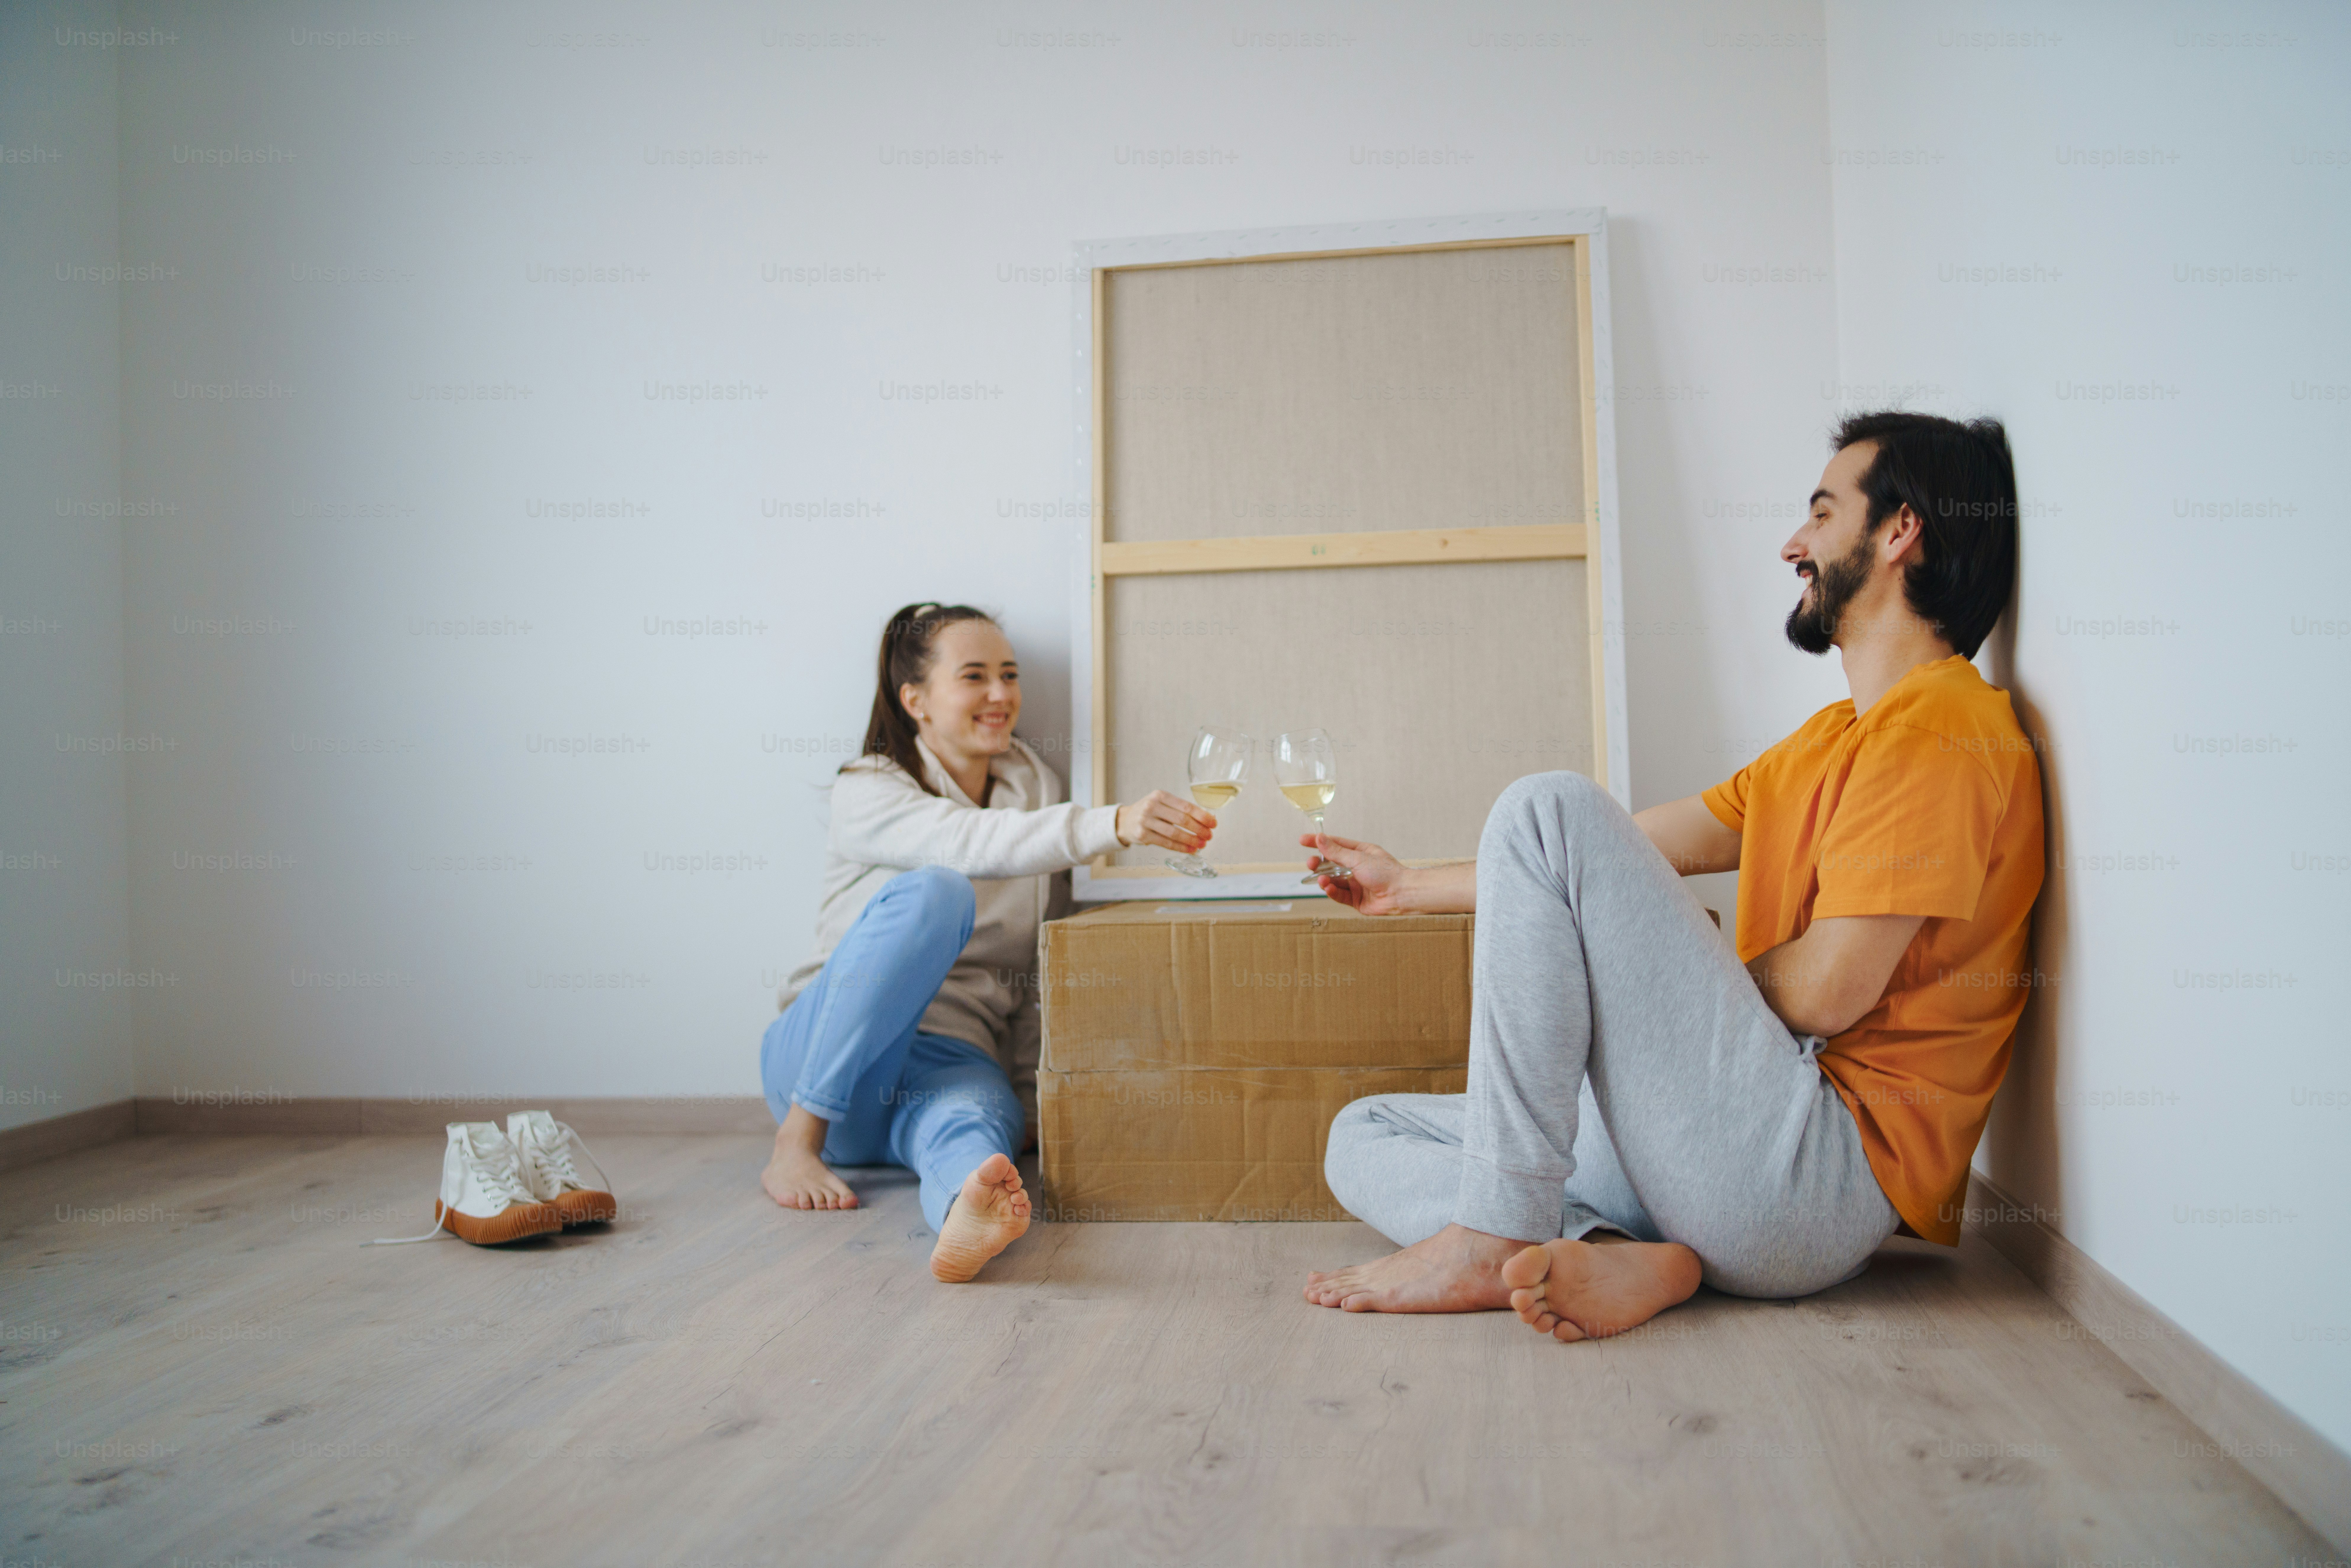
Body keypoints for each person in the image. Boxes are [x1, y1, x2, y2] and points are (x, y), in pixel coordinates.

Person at [1301, 411, 2044, 1342]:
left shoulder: (1944, 727)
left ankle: (1495, 1234)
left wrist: (1674, 976)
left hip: (1811, 1180)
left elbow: (1829, 991)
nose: (1794, 544)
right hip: (1718, 1152)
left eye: (1822, 514)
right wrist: (1407, 886)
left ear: (1902, 532)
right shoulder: (1829, 742)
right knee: (1364, 1133)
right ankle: (1609, 1249)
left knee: (1546, 802)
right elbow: (1600, 853)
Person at [761, 602, 1213, 1282]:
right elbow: (966, 842)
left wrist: (1027, 1099)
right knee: (940, 892)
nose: (1001, 694)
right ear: (915, 700)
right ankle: (796, 1143)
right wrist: (1112, 823)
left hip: (948, 1054)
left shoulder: (1036, 792)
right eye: (974, 676)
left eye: (1010, 674)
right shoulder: (869, 788)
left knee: (977, 1131)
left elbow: (1039, 963)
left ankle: (965, 1214)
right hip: (825, 1058)